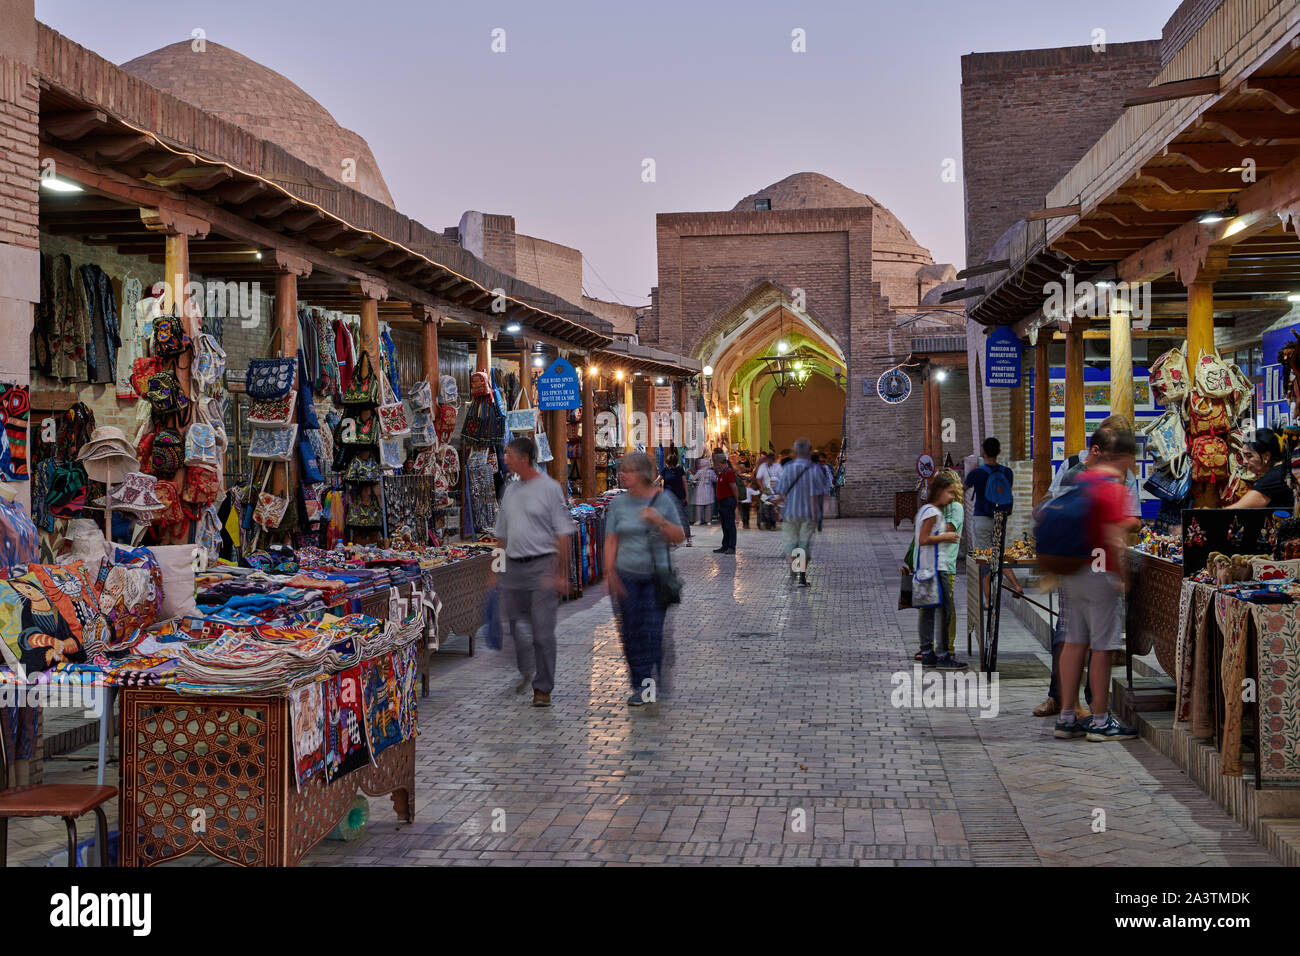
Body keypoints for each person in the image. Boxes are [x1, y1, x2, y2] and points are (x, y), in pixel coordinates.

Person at [1054, 425, 1141, 741]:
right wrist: (1123, 577)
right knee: (1103, 647)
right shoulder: (1112, 487)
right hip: (1100, 572)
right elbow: (1112, 536)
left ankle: (1066, 717)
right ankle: (1101, 720)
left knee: (1074, 641)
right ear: (1121, 457)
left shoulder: (1079, 478)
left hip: (1072, 571)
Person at [496, 436, 576, 708]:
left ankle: (542, 687)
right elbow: (500, 536)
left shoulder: (550, 489)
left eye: (509, 455)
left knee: (542, 631)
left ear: (524, 458)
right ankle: (526, 667)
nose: (505, 459)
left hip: (542, 566)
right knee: (514, 626)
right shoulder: (510, 491)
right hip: (514, 568)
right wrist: (496, 571)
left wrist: (561, 573)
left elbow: (563, 534)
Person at [604, 451, 686, 707]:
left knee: (651, 632)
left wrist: (659, 521)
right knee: (631, 633)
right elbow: (611, 540)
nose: (621, 475)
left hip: (655, 578)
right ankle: (640, 682)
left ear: (640, 474)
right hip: (627, 578)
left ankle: (649, 683)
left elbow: (679, 536)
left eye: (626, 470)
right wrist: (611, 573)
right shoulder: (618, 504)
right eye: (621, 470)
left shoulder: (663, 500)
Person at [912, 472, 965, 669]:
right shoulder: (932, 512)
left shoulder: (928, 510)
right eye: (949, 492)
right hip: (936, 568)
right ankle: (942, 654)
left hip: (928, 567)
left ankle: (928, 652)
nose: (952, 496)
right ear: (940, 491)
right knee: (944, 612)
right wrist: (946, 536)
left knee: (929, 612)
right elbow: (924, 539)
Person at [964, 437, 1022, 606]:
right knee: (999, 553)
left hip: (982, 518)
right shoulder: (1007, 472)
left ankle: (988, 601)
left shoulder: (977, 473)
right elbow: (1004, 494)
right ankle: (1016, 586)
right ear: (998, 452)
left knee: (984, 559)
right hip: (1000, 519)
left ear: (983, 451)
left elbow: (963, 489)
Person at [773, 438, 830, 587]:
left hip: (790, 514)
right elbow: (816, 496)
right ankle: (802, 577)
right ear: (809, 451)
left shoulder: (788, 468)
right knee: (804, 545)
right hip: (807, 515)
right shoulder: (815, 469)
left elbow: (781, 493)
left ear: (795, 451)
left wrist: (778, 508)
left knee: (792, 544)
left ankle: (793, 571)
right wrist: (817, 517)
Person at [1227, 427, 1294, 509]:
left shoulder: (1274, 477)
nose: (1244, 461)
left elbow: (1237, 510)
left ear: (1266, 456)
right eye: (1244, 456)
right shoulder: (1284, 469)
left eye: (1249, 456)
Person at [660, 450, 692, 546]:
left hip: (679, 497)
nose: (669, 466)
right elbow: (658, 479)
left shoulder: (680, 470)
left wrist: (687, 496)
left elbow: (684, 483)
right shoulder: (665, 470)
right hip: (667, 499)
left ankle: (688, 538)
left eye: (670, 464)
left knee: (683, 519)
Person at [713, 451, 739, 554]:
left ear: (720, 462)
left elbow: (734, 487)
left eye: (716, 463)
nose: (715, 465)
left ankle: (731, 546)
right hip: (722, 502)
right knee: (724, 525)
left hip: (728, 501)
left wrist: (736, 500)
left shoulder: (729, 472)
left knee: (730, 525)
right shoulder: (722, 473)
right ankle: (725, 545)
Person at [690, 456, 716, 527]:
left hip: (700, 490)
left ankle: (698, 520)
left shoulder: (700, 471)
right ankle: (708, 521)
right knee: (708, 506)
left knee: (699, 506)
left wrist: (690, 474)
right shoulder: (711, 471)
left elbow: (693, 478)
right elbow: (715, 479)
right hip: (709, 490)